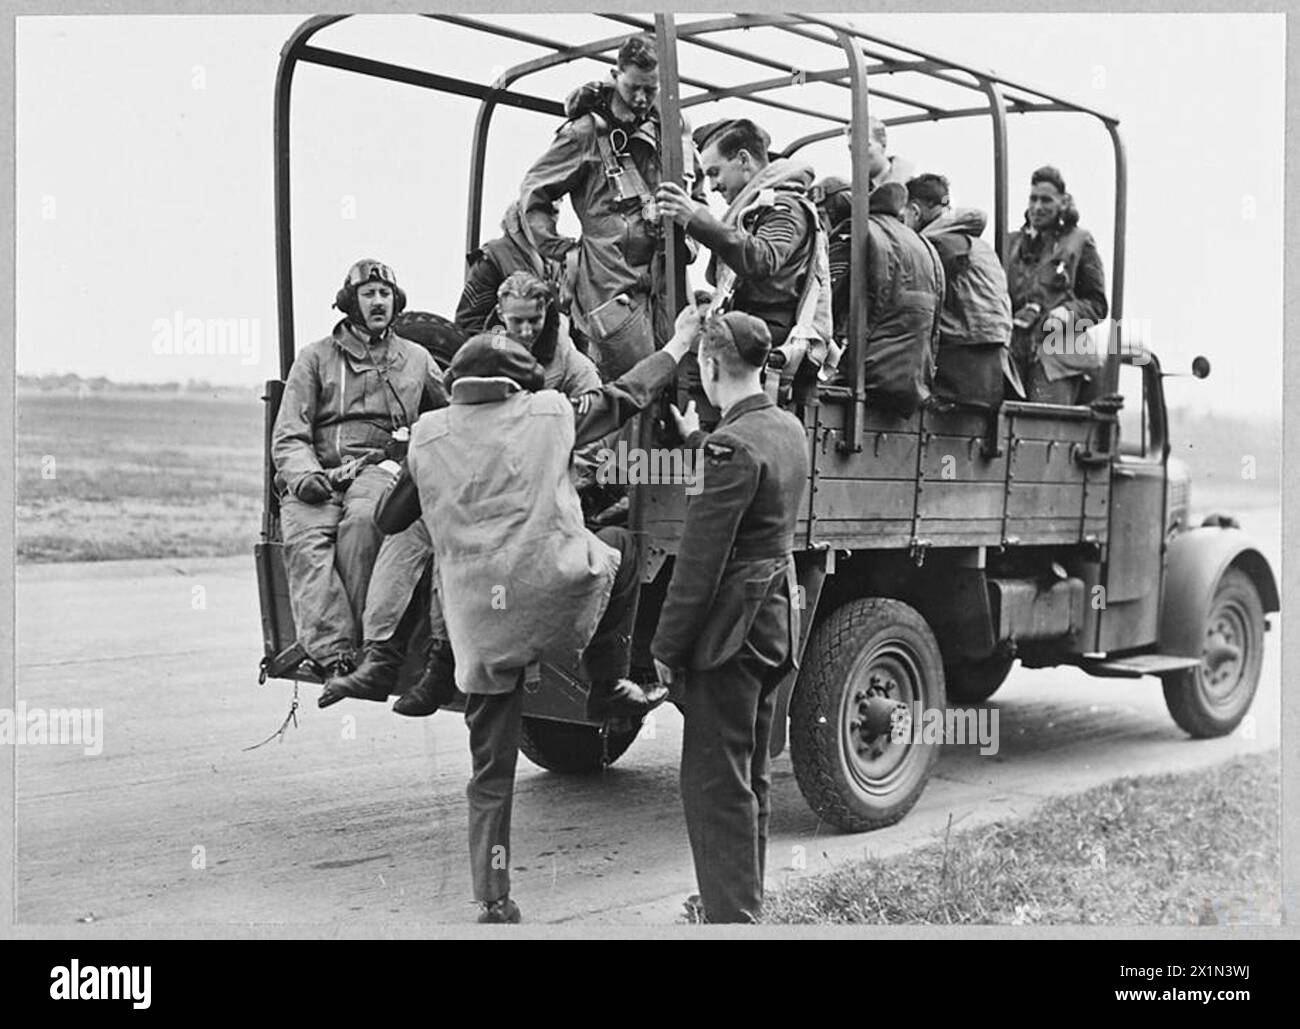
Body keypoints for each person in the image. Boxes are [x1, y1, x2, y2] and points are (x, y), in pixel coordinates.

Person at [375, 305, 705, 923]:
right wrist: (681, 342)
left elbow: (388, 522)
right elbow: (628, 394)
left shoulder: (428, 436)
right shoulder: (550, 415)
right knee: (626, 550)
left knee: (489, 771)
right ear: (518, 383)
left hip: (478, 625)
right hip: (559, 600)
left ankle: (494, 899)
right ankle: (608, 685)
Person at [320, 271, 601, 714]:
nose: (526, 331)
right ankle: (380, 654)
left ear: (549, 313)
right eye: (516, 322)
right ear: (500, 317)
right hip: (481, 480)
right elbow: (458, 413)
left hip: (537, 493)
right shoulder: (487, 354)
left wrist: (557, 472)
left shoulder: (573, 368)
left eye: (534, 320)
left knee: (464, 536)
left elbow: (594, 440)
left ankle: (439, 663)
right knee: (415, 525)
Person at [649, 311, 810, 925]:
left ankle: (730, 918)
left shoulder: (730, 447)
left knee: (715, 784)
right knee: (749, 774)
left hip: (731, 635)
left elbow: (698, 565)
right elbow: (750, 482)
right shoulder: (785, 427)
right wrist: (700, 442)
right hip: (774, 624)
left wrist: (665, 648)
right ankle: (742, 900)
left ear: (711, 366)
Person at [270, 260, 446, 684]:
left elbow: (449, 413)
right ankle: (334, 655)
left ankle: (357, 650)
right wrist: (304, 475)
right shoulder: (314, 358)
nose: (378, 301)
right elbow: (289, 433)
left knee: (366, 523)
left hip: (379, 467)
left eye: (385, 294)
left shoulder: (417, 358)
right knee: (308, 544)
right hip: (318, 475)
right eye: (368, 294)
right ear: (351, 303)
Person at [517, 33, 701, 380]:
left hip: (666, 281)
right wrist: (564, 250)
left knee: (677, 379)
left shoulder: (671, 130)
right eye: (634, 87)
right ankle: (622, 440)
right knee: (625, 393)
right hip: (610, 286)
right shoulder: (583, 134)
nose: (643, 98)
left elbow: (696, 186)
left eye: (651, 89)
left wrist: (689, 231)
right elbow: (534, 193)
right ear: (615, 76)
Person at [655, 117, 833, 407]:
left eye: (715, 173)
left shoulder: (784, 207)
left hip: (764, 338)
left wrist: (696, 220)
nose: (712, 186)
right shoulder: (757, 210)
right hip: (750, 329)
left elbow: (762, 260)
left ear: (743, 159)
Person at [816, 177, 945, 416]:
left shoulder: (853, 234)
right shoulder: (921, 242)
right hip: (911, 383)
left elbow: (824, 307)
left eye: (822, 215)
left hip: (862, 377)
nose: (821, 226)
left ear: (838, 210)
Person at [904, 173, 1013, 407]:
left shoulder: (938, 247)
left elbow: (915, 310)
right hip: (991, 366)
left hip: (960, 367)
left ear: (914, 211)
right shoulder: (972, 243)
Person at [1003, 165, 1109, 405]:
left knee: (1042, 430)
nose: (1037, 207)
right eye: (1033, 199)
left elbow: (1097, 304)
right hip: (1016, 351)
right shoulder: (1012, 244)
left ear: (1062, 202)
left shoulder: (1079, 242)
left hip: (1058, 355)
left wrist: (1067, 313)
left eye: (1046, 200)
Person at [454, 201, 564, 335]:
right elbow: (471, 324)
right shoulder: (492, 260)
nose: (551, 219)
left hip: (551, 348)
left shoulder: (558, 258)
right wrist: (501, 347)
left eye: (554, 212)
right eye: (544, 210)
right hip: (501, 347)